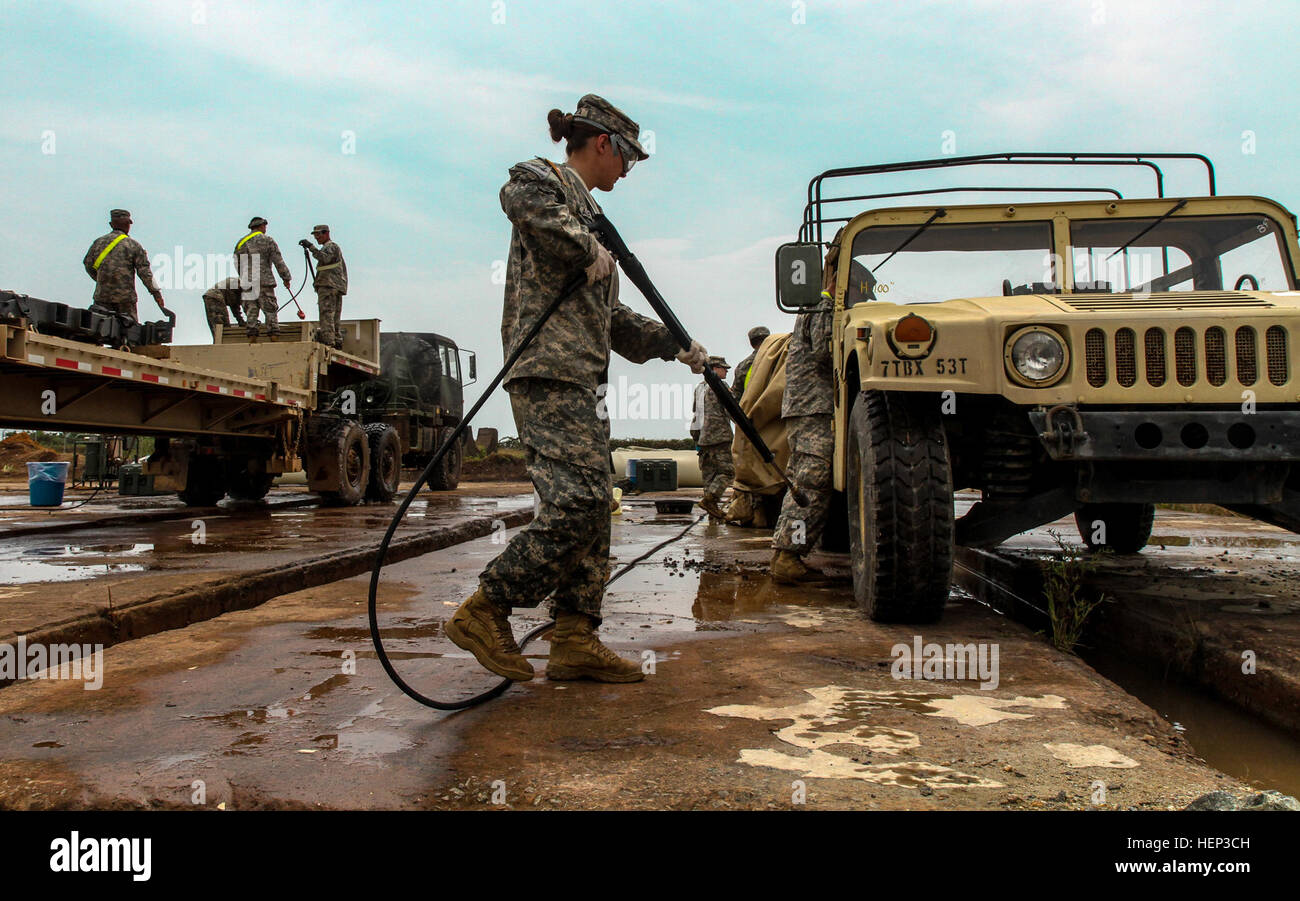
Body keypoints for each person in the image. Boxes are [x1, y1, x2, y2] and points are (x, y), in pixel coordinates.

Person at [445, 94, 707, 684]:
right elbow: (518, 193)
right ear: (603, 144)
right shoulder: (550, 184)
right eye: (628, 159)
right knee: (581, 502)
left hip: (584, 380)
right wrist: (583, 244)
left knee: (596, 514)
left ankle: (574, 636)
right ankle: (487, 607)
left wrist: (677, 344)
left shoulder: (592, 219)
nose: (627, 172)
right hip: (547, 373)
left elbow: (612, 321)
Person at [770, 288, 834, 583]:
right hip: (814, 404)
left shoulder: (814, 303)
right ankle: (787, 558)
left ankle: (785, 553)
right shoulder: (823, 304)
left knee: (804, 480)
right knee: (813, 479)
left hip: (807, 405)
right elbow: (826, 350)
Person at [82, 209, 167, 322]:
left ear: (111, 224)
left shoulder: (98, 243)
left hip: (102, 296)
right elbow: (145, 274)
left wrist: (101, 280)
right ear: (128, 225)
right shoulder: (133, 246)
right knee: (128, 330)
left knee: (99, 327)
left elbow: (88, 264)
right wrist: (157, 294)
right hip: (125, 299)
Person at [692, 356, 735, 519]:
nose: (726, 371)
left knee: (709, 475)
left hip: (703, 438)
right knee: (728, 471)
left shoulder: (699, 388)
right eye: (724, 368)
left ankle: (712, 511)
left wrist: (696, 438)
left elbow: (695, 414)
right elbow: (731, 409)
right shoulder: (719, 385)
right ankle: (711, 500)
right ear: (714, 368)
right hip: (719, 436)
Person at [234, 216, 291, 338]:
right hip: (263, 281)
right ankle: (273, 334)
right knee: (269, 308)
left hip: (247, 282)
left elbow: (237, 263)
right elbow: (278, 260)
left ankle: (252, 334)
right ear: (261, 226)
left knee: (251, 310)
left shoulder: (240, 243)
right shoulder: (267, 240)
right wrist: (286, 277)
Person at [299, 224, 348, 349]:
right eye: (315, 235)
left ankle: (329, 341)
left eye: (318, 235)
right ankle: (336, 340)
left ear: (326, 233)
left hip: (329, 286)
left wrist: (311, 247)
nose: (316, 238)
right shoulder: (331, 247)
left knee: (327, 314)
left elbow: (324, 258)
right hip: (332, 286)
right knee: (333, 315)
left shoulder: (331, 246)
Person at [731, 326, 770, 400]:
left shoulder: (742, 366)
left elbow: (736, 395)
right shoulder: (778, 357)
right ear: (769, 340)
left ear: (751, 344)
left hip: (750, 409)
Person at [201, 276, 246, 341]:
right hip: (215, 297)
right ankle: (224, 344)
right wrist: (241, 321)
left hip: (210, 296)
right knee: (223, 325)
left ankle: (219, 342)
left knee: (216, 325)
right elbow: (234, 305)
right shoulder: (236, 283)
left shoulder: (236, 283)